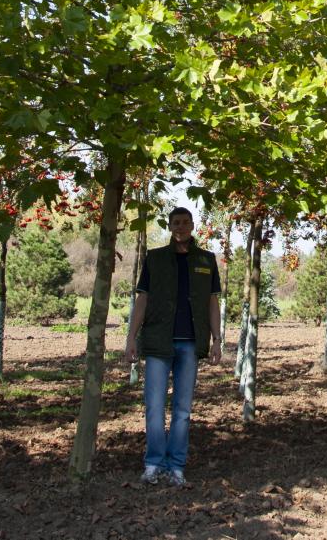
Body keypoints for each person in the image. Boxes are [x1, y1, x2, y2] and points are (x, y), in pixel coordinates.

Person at [124, 207, 222, 487]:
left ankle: (176, 465)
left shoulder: (206, 259)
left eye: (185, 222)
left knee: (182, 409)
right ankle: (154, 464)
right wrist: (131, 337)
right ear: (169, 226)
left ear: (193, 225)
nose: (180, 227)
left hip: (190, 344)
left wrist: (217, 339)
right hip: (158, 342)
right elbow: (142, 299)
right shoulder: (155, 259)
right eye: (175, 223)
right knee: (154, 407)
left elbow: (212, 302)